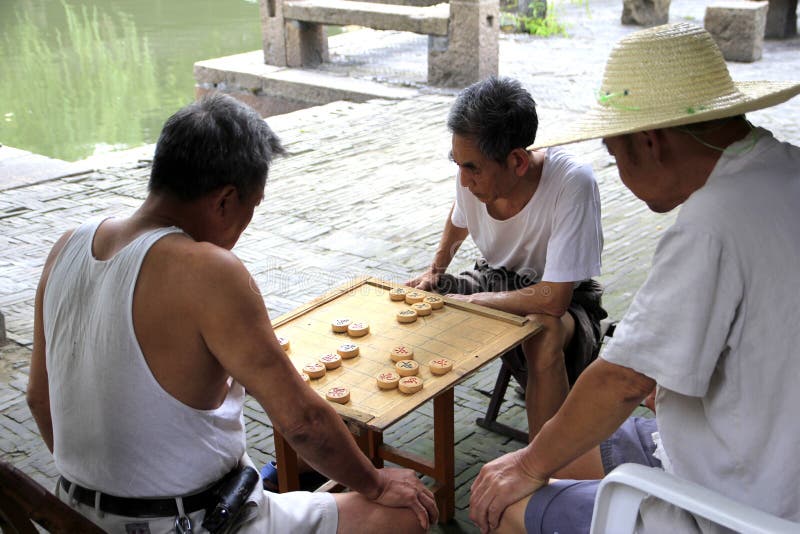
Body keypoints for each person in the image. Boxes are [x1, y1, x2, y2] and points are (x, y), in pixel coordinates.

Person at [26, 93, 437, 533]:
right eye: (251, 207)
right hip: (194, 523)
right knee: (404, 511)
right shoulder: (205, 270)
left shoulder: (67, 245)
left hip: (75, 515)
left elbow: (37, 397)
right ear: (225, 201)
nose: (246, 224)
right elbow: (303, 423)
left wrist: (111, 488)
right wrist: (375, 482)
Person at [469, 22, 800, 533]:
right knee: (545, 459)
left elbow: (623, 379)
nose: (617, 169)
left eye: (614, 152)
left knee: (504, 501)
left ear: (649, 141)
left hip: (738, 500)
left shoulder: (712, 223)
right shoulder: (785, 169)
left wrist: (527, 465)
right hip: (743, 446)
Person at [407, 76, 606, 440]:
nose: (464, 180)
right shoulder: (470, 174)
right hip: (496, 277)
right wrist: (435, 271)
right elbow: (459, 219)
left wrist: (475, 302)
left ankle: (545, 469)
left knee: (543, 335)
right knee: (414, 298)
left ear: (516, 160)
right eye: (458, 164)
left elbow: (554, 299)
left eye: (472, 168)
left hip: (567, 300)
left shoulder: (572, 182)